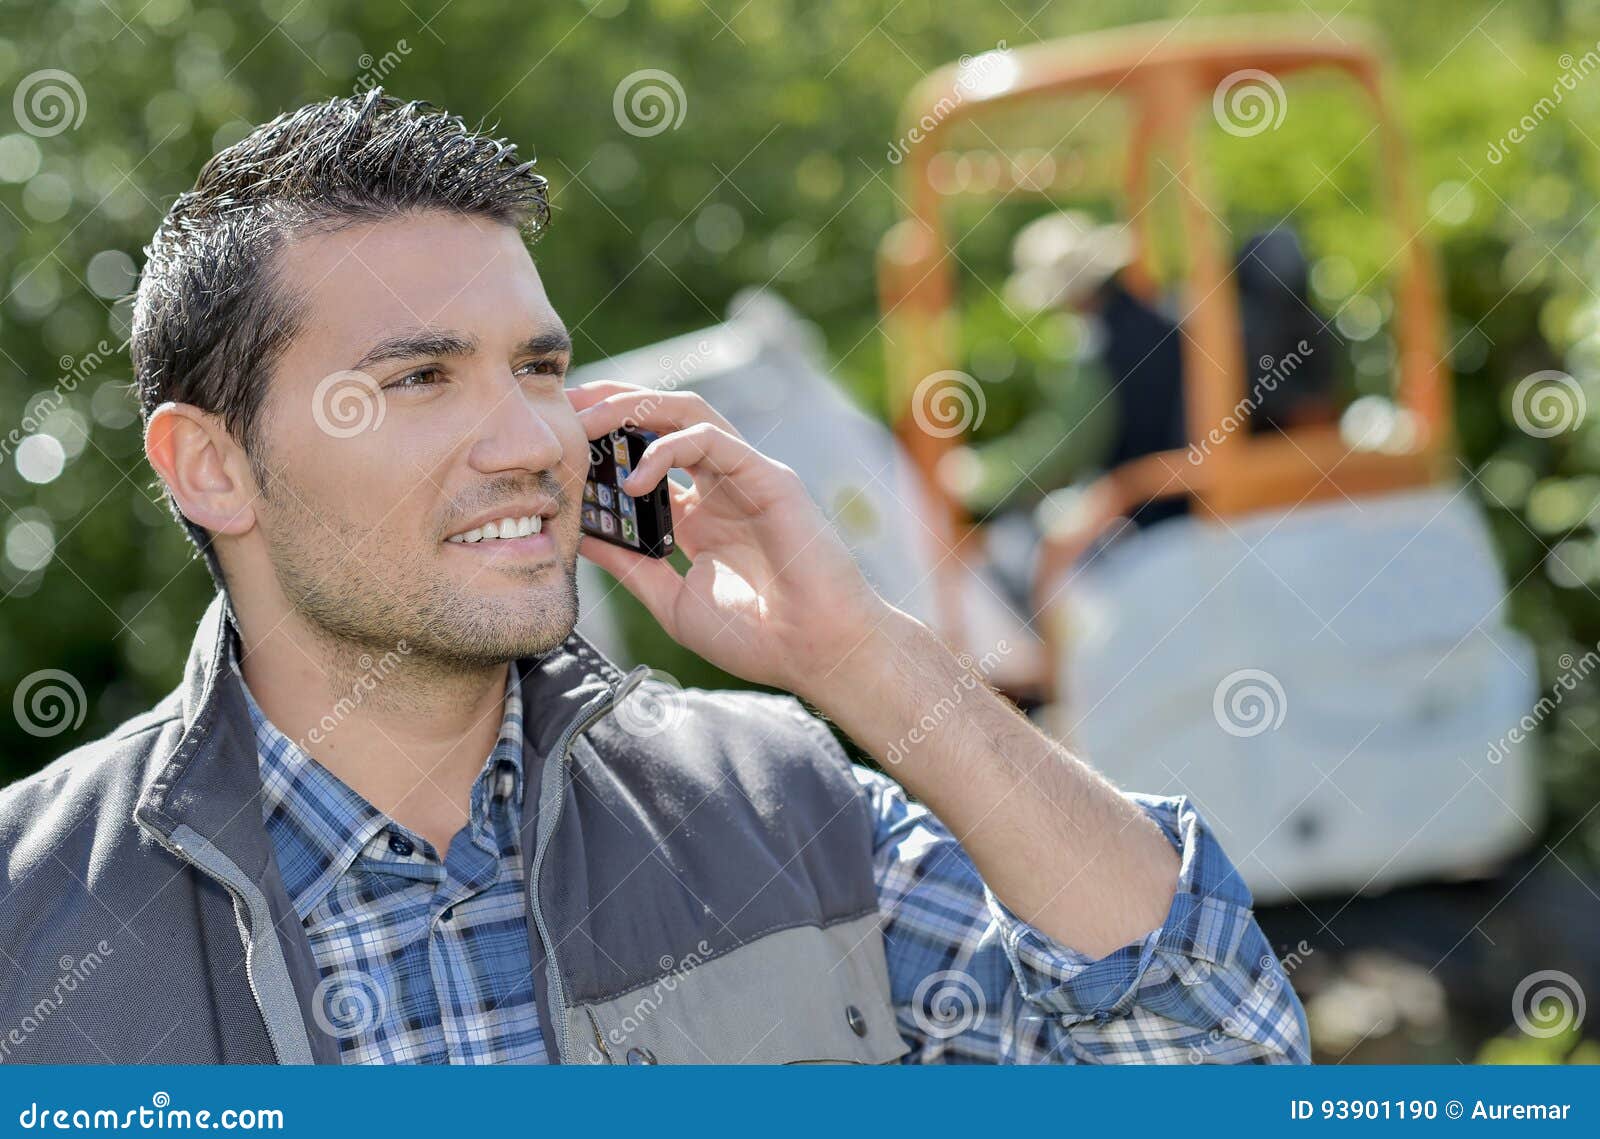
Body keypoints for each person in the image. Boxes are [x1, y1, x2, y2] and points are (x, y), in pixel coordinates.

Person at [0, 92, 1307, 1066]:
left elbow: (1219, 1057)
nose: (530, 442)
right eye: (420, 377)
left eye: (539, 369)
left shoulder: (779, 807)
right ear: (212, 467)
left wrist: (862, 655)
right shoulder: (29, 922)